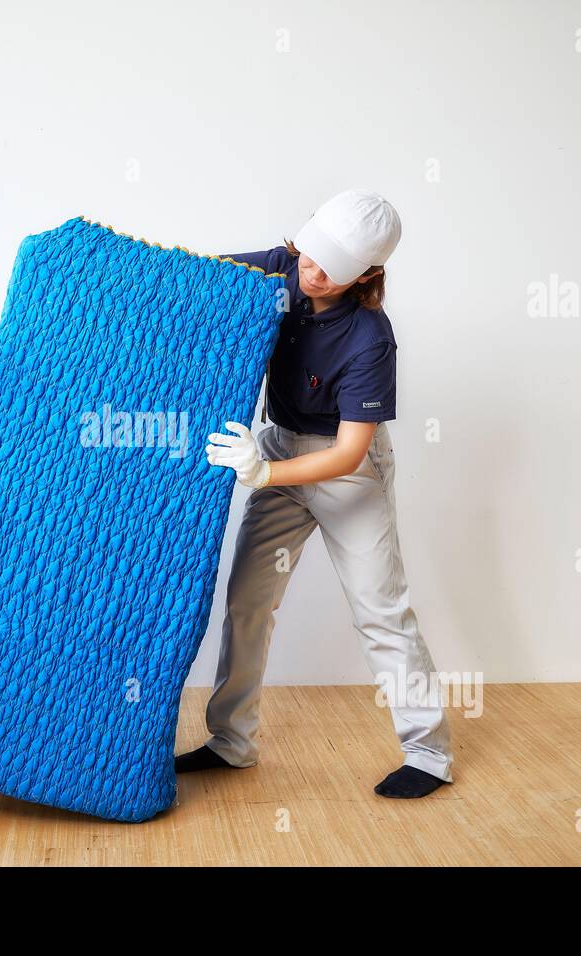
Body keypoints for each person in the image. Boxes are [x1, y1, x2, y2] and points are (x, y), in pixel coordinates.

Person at [179, 189, 455, 798]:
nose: (313, 272)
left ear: (368, 276)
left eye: (333, 268)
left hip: (344, 474)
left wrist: (262, 476)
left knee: (381, 612)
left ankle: (428, 754)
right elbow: (190, 277)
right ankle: (231, 742)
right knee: (249, 601)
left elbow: (349, 452)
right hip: (277, 447)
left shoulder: (369, 338)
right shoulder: (284, 265)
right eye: (311, 254)